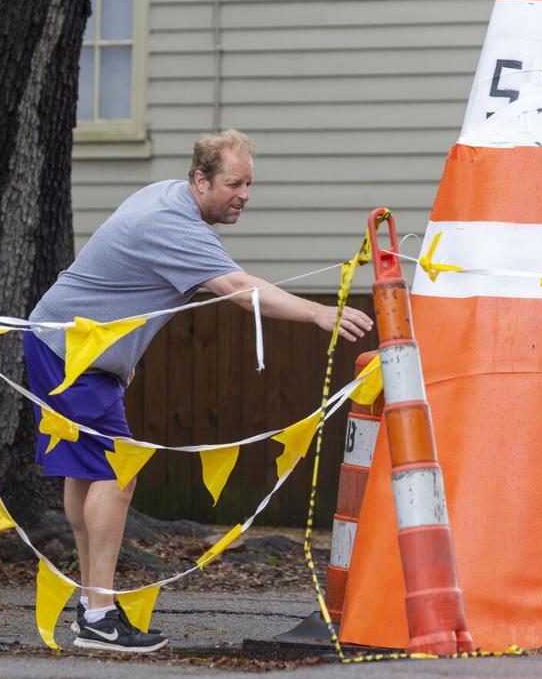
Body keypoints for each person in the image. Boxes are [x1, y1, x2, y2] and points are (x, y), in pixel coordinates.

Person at [24, 129, 372, 652]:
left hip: (67, 345)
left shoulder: (166, 198)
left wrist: (121, 359)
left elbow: (118, 281)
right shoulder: (175, 225)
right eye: (234, 184)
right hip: (71, 351)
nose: (244, 195)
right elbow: (238, 290)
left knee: (89, 475)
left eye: (249, 184)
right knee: (119, 472)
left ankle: (91, 606)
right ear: (201, 180)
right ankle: (98, 616)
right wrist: (319, 313)